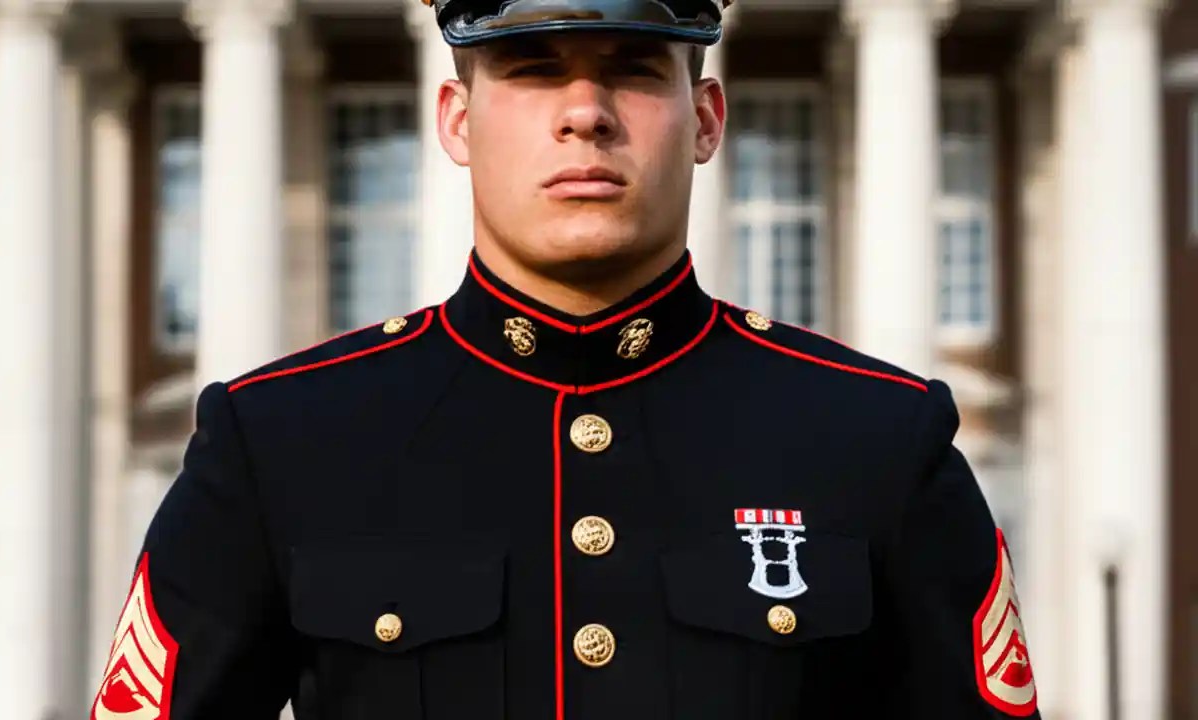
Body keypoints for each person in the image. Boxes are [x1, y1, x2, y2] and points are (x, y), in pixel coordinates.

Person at [89, 0, 1040, 717]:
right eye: (533, 69)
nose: (585, 111)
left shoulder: (879, 440)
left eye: (633, 69)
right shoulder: (279, 442)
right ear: (456, 119)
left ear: (707, 119)